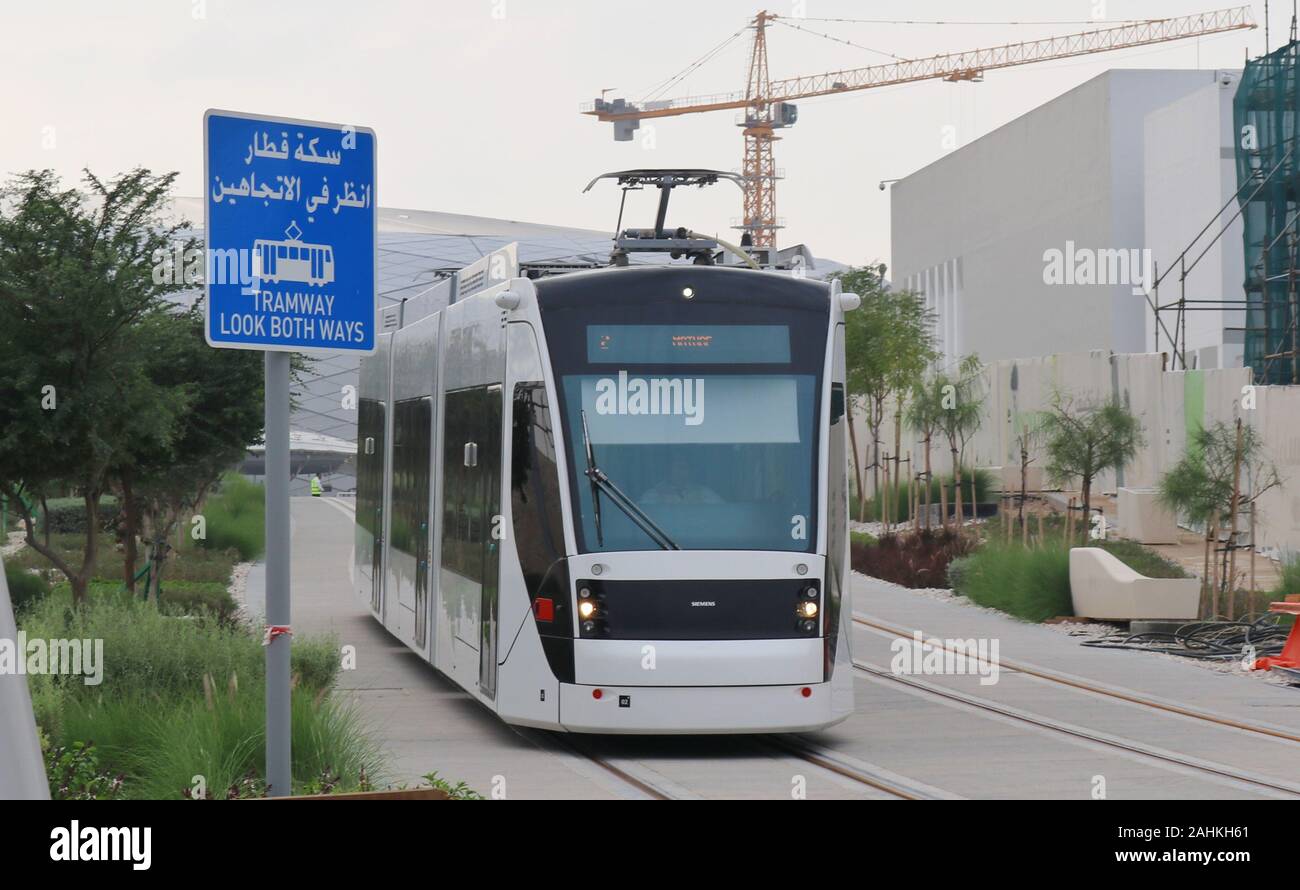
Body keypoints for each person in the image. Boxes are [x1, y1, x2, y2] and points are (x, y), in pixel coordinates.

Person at [640, 455, 723, 505]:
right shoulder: (653, 494)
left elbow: (721, 512)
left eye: (684, 468)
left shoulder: (704, 493)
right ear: (668, 470)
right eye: (677, 467)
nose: (679, 472)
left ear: (690, 471)